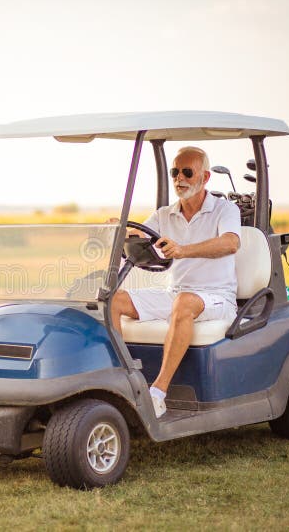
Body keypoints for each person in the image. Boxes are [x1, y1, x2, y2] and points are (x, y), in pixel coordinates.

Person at [111, 146, 241, 418]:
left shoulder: (224, 209)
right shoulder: (164, 214)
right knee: (114, 300)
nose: (179, 178)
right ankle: (124, 381)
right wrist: (118, 230)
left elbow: (231, 243)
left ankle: (157, 393)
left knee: (183, 303)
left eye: (187, 172)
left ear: (205, 177)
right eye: (175, 172)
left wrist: (183, 249)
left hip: (216, 297)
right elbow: (138, 235)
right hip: (177, 293)